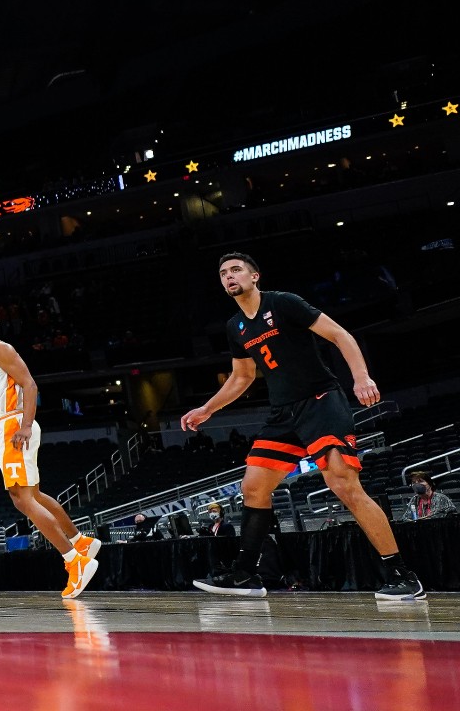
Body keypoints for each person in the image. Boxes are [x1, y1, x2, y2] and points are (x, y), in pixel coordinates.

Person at [181, 254, 423, 600]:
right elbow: (242, 377)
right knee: (253, 486)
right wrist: (207, 409)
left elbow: (340, 335)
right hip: (284, 414)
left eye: (236, 270)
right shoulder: (235, 325)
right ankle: (246, 576)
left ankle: (402, 574)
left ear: (255, 276)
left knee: (342, 483)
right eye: (223, 273)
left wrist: (361, 377)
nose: (229, 276)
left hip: (321, 400)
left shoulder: (283, 303)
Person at [0, 304, 102, 599]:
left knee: (22, 499)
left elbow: (29, 384)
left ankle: (75, 561)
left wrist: (25, 425)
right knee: (32, 496)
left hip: (16, 425)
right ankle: (79, 542)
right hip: (3, 426)